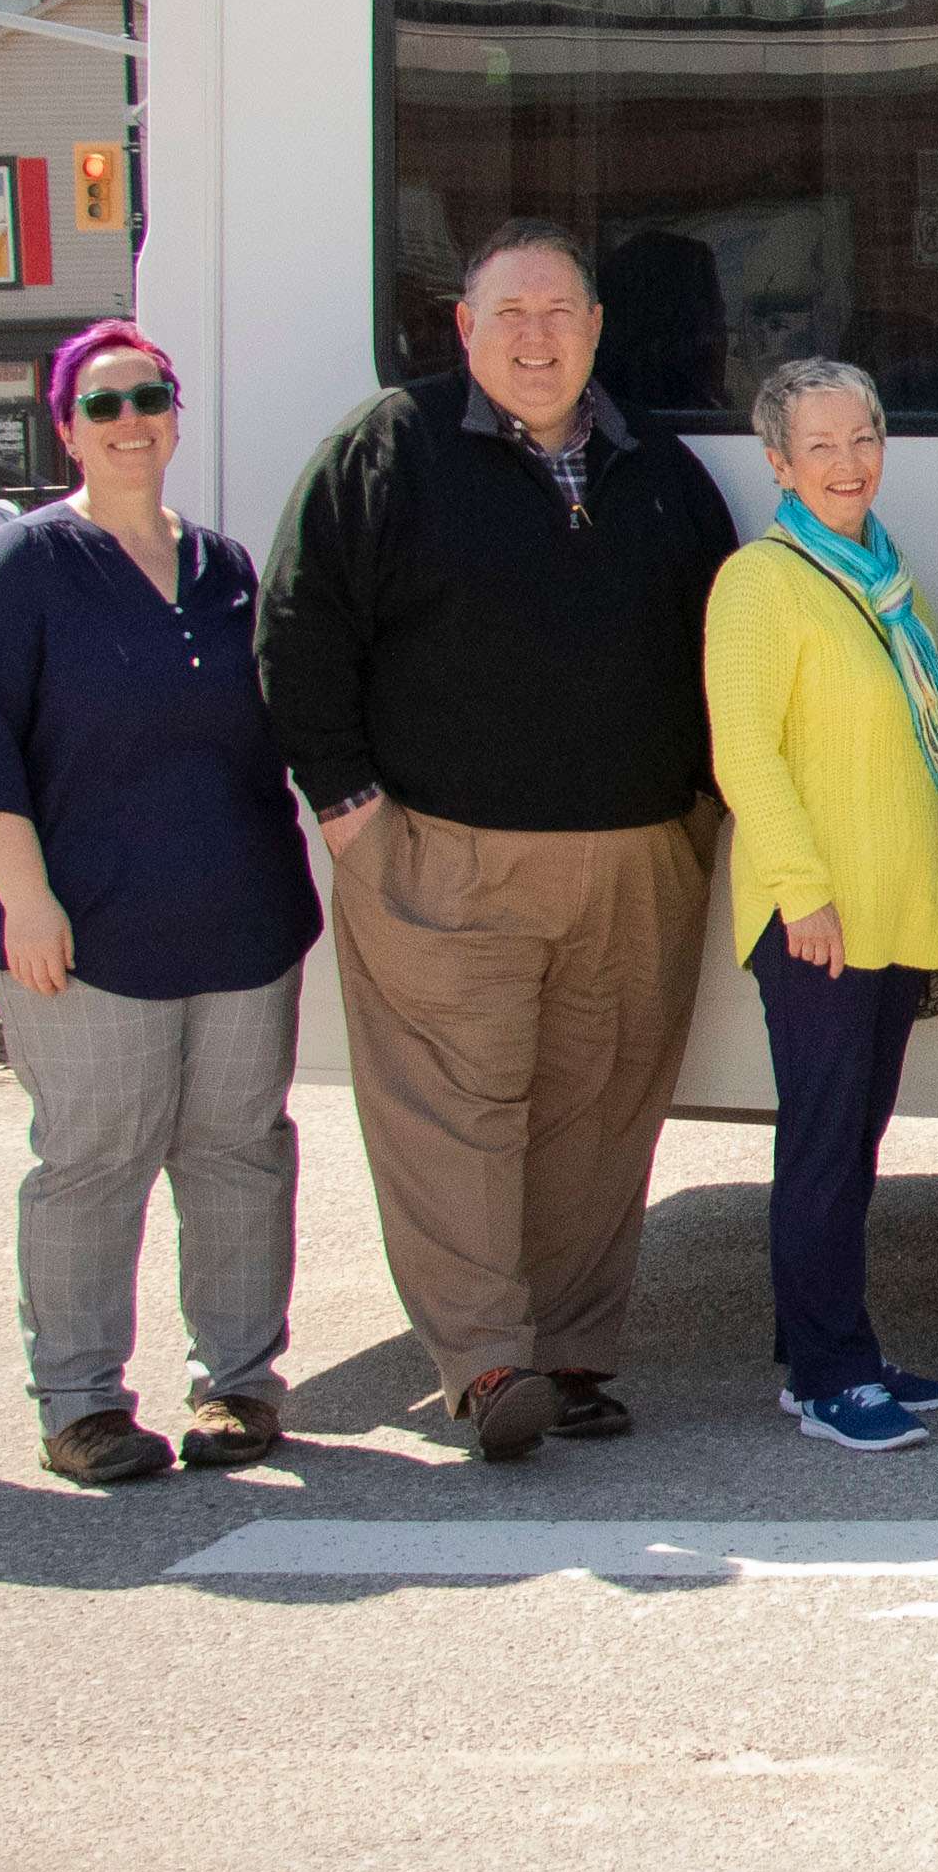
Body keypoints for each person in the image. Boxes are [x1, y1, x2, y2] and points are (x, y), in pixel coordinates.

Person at [260, 218, 738, 1462]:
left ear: (595, 331)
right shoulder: (390, 450)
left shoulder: (662, 472)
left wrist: (699, 809)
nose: (537, 336)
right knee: (453, 1113)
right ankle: (483, 1363)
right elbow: (300, 623)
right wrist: (350, 809)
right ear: (462, 330)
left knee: (600, 1109)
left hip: (639, 855)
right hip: (440, 856)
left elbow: (729, 650)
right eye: (508, 314)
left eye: (560, 312)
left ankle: (573, 1354)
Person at [0, 322, 324, 1487]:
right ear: (66, 427)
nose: (129, 422)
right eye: (101, 405)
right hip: (86, 932)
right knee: (92, 1163)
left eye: (148, 398)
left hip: (242, 923)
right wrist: (25, 903)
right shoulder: (25, 565)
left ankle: (239, 1386)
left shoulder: (223, 568)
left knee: (240, 1157)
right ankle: (81, 1402)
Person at [705, 358, 938, 1456]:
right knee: (823, 1148)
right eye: (819, 447)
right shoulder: (761, 583)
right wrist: (801, 895)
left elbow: (933, 748)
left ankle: (833, 1347)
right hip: (820, 916)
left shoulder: (882, 578)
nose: (846, 463)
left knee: (856, 1142)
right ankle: (828, 1376)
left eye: (862, 439)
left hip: (898, 901)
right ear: (777, 463)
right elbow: (749, 756)